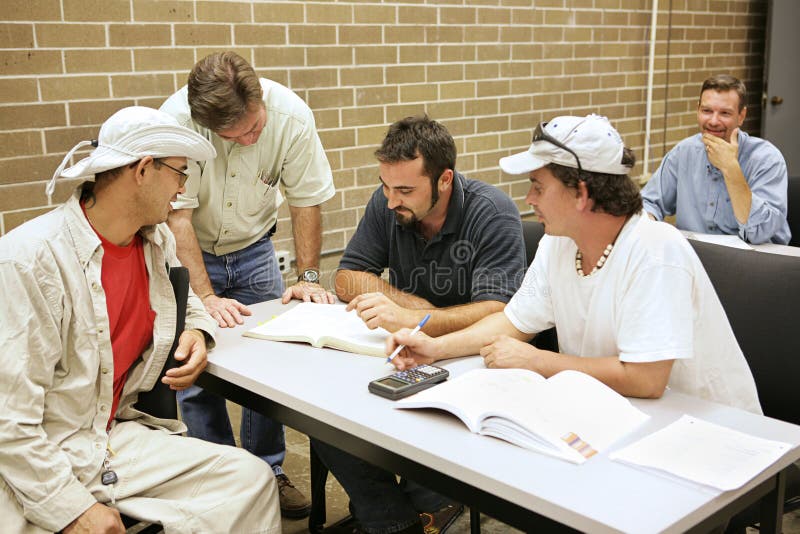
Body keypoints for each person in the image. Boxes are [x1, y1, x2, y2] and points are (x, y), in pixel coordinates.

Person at [0, 107, 279, 533]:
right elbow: (9, 423)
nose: (183, 188)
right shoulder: (29, 260)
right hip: (39, 451)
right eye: (180, 173)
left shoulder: (155, 239)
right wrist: (70, 508)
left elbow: (186, 302)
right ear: (144, 169)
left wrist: (197, 331)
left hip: (109, 437)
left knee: (250, 481)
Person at [388, 114, 762, 419]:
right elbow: (515, 322)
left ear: (581, 192)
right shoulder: (559, 242)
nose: (528, 198)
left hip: (707, 431)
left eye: (538, 186)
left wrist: (539, 361)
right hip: (619, 415)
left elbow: (646, 379)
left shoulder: (654, 250)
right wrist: (435, 348)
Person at [313, 115, 527, 534]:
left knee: (430, 433)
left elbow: (498, 310)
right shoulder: (388, 202)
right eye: (386, 186)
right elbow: (346, 277)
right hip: (402, 350)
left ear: (444, 180)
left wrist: (417, 320)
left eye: (406, 190)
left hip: (470, 359)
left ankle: (401, 515)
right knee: (320, 414)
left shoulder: (492, 212)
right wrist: (414, 310)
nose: (392, 200)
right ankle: (394, 521)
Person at [161, 51, 336, 517]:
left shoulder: (291, 116)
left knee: (270, 363)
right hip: (189, 249)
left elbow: (307, 200)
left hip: (256, 246)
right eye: (234, 136)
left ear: (259, 100)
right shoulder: (176, 123)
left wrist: (309, 279)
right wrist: (204, 298)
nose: (250, 139)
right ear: (208, 126)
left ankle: (269, 472)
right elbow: (177, 218)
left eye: (254, 128)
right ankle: (218, 479)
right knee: (197, 368)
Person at [641, 74, 790, 245]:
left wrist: (730, 168)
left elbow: (760, 233)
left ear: (741, 116)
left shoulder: (767, 159)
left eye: (725, 113)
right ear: (698, 110)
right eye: (707, 111)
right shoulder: (684, 152)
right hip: (697, 258)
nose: (713, 121)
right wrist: (648, 224)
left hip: (756, 260)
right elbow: (649, 202)